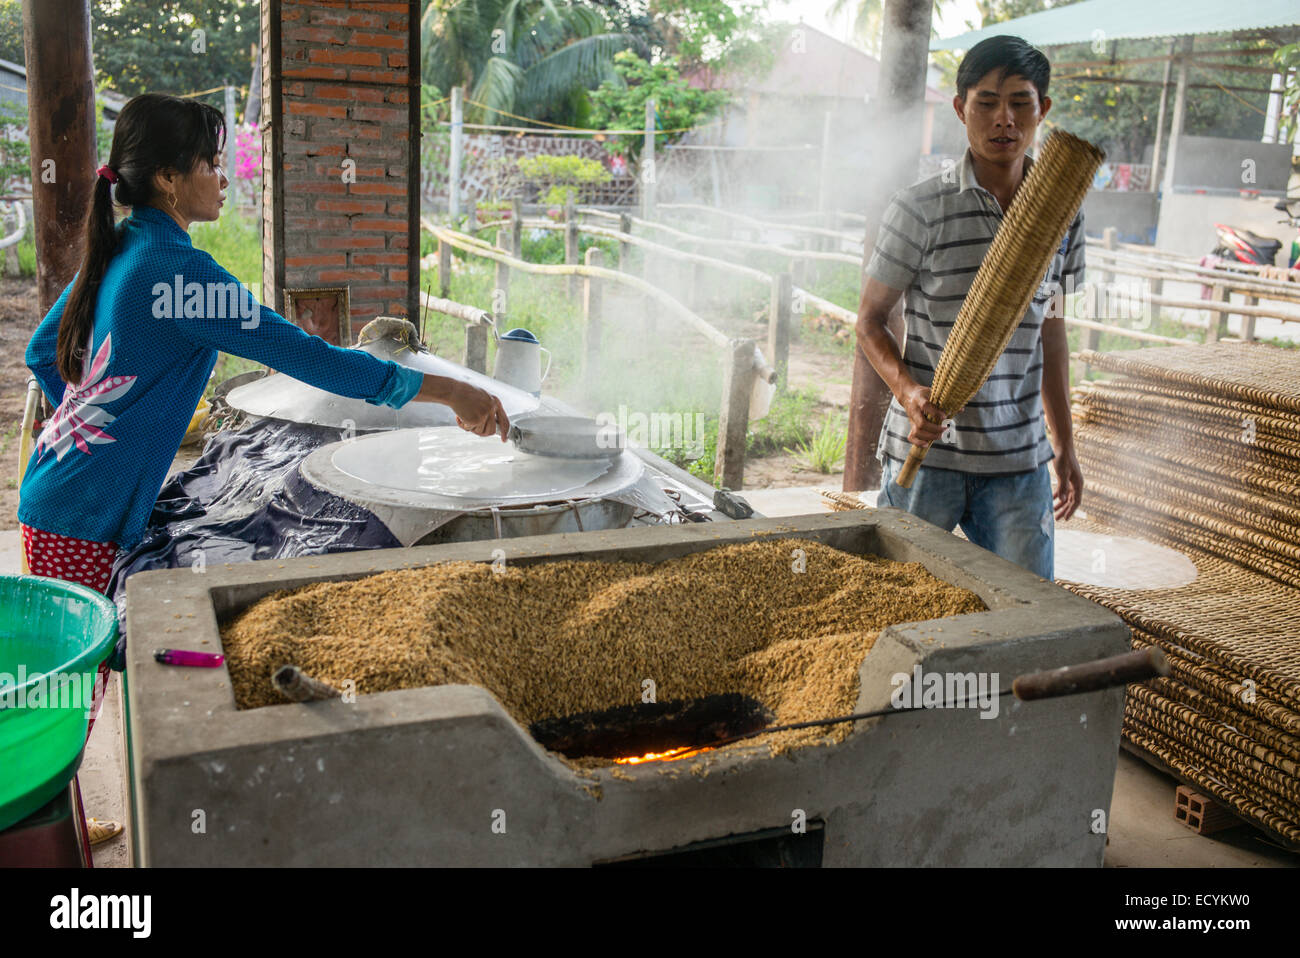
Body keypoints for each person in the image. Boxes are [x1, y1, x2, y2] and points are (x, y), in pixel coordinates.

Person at [20, 93, 509, 848]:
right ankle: (54, 849)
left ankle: (68, 826)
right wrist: (453, 391)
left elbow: (38, 355)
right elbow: (317, 361)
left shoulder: (120, 248)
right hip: (79, 517)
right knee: (75, 694)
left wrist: (91, 421)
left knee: (80, 680)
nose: (224, 177)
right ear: (172, 181)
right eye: (213, 164)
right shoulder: (178, 273)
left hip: (52, 491)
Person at [858, 34, 1084, 582]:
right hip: (927, 454)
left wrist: (1065, 444)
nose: (1004, 119)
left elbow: (1051, 334)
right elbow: (869, 320)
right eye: (986, 102)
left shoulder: (1064, 214)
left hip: (1018, 462)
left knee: (1027, 615)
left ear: (1043, 110)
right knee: (897, 601)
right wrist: (909, 392)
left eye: (1020, 103)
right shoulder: (919, 208)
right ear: (961, 109)